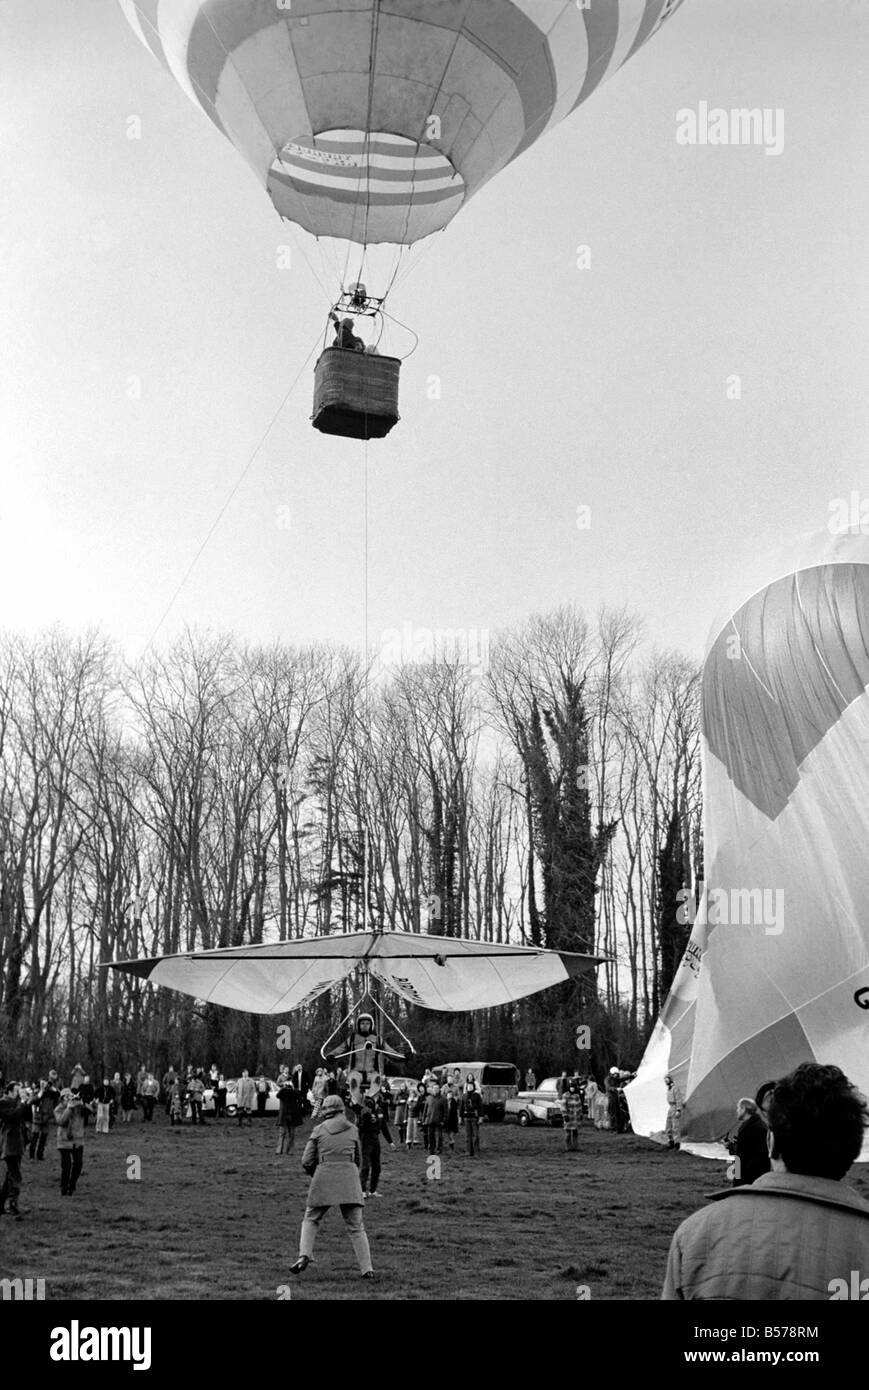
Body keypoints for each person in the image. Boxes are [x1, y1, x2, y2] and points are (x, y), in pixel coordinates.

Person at [662, 1062, 869, 1300]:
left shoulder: (695, 1234)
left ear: (771, 1142)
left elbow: (738, 1160)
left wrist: (736, 1182)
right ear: (852, 1150)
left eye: (739, 1110)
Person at [290, 1094, 374, 1280]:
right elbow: (359, 1159)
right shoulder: (353, 1129)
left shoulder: (319, 1130)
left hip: (324, 1176)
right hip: (349, 1179)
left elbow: (306, 1160)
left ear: (326, 1111)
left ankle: (304, 1255)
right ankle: (367, 1268)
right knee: (356, 1227)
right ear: (342, 1109)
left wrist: (316, 1172)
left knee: (311, 1218)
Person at [54, 1084, 95, 1197]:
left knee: (78, 1164)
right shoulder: (58, 1109)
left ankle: (72, 1184)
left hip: (78, 1140)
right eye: (66, 1097)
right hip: (63, 1141)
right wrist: (68, 1108)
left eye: (70, 1096)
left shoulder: (79, 1107)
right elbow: (61, 1121)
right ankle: (64, 1187)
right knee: (66, 1166)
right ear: (62, 1099)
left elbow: (92, 1111)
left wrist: (82, 1104)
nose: (68, 1099)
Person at [726, 1096, 772, 1186]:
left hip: (750, 1178)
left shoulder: (758, 1128)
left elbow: (759, 1156)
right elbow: (744, 1149)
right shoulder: (747, 1125)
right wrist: (731, 1146)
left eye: (738, 1108)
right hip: (743, 1173)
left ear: (744, 1109)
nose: (737, 1111)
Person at [0, 1082, 29, 1219]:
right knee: (16, 1177)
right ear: (10, 1091)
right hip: (8, 1144)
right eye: (17, 1090)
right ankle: (13, 1205)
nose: (19, 1093)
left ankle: (1, 1205)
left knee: (9, 1177)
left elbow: (26, 1115)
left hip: (17, 1144)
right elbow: (14, 1116)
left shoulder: (17, 1103)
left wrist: (27, 1102)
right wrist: (22, 1102)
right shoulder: (3, 1103)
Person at [359, 1090, 395, 1198]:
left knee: (377, 1166)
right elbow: (360, 1124)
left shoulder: (380, 1110)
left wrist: (390, 1142)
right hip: (366, 1138)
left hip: (376, 1139)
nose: (376, 1097)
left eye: (377, 1096)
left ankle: (372, 1190)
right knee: (365, 1166)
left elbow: (383, 1126)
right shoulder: (365, 1108)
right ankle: (362, 1191)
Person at [29, 1075, 60, 1160]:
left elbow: (58, 1094)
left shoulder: (51, 1093)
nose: (44, 1085)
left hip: (46, 1118)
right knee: (34, 1137)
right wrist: (41, 1092)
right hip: (37, 1118)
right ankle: (31, 1155)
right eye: (42, 1083)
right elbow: (32, 1101)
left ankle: (40, 1155)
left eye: (45, 1083)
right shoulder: (37, 1091)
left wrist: (52, 1086)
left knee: (43, 1138)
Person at [276, 1079, 305, 1155]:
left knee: (288, 1134)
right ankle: (284, 1150)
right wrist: (285, 1088)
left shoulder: (292, 1092)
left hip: (289, 1115)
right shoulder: (284, 1092)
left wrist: (289, 1088)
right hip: (287, 1115)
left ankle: (285, 1150)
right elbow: (278, 1095)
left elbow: (300, 1098)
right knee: (286, 1133)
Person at [423, 1082, 448, 1156]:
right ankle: (431, 1149)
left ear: (439, 1089)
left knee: (439, 1136)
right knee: (430, 1136)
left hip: (439, 1121)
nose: (435, 1090)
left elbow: (446, 1111)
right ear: (432, 1089)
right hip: (430, 1120)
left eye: (437, 1088)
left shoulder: (443, 1099)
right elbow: (425, 1109)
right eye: (434, 1088)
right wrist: (424, 1119)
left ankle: (439, 1149)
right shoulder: (428, 1098)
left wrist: (444, 1120)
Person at [460, 1076, 483, 1156]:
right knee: (468, 1135)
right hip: (466, 1117)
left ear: (473, 1087)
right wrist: (460, 1117)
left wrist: (481, 1117)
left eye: (471, 1086)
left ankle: (476, 1151)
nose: (469, 1087)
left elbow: (480, 1107)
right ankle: (468, 1151)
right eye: (468, 1086)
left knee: (475, 1135)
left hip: (474, 1117)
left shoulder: (477, 1095)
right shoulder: (464, 1096)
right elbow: (461, 1107)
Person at [561, 1078, 583, 1151]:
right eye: (571, 1087)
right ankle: (568, 1147)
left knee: (575, 1133)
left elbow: (579, 1106)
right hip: (569, 1117)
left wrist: (581, 1114)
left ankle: (575, 1147)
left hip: (576, 1118)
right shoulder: (565, 1095)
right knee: (568, 1134)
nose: (572, 1088)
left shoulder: (577, 1096)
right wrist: (565, 1115)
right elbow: (563, 1106)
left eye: (573, 1087)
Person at [664, 1073, 683, 1149]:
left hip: (675, 1107)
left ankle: (677, 1143)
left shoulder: (675, 1088)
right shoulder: (669, 1089)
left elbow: (679, 1099)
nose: (665, 1081)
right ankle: (670, 1140)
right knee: (668, 1126)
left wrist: (678, 1110)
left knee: (675, 1126)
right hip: (670, 1107)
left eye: (666, 1079)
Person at [406, 1083, 424, 1150]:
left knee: (415, 1129)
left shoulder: (417, 1100)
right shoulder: (409, 1100)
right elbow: (406, 1109)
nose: (412, 1095)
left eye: (413, 1093)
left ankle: (415, 1140)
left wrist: (415, 1101)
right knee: (409, 1129)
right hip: (409, 1116)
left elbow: (418, 1107)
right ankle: (408, 1142)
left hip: (416, 1116)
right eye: (411, 1093)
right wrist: (405, 1118)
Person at [444, 1084, 460, 1151]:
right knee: (447, 1131)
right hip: (446, 1119)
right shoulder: (444, 1102)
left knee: (452, 1132)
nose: (450, 1096)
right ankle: (450, 1142)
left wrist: (458, 1118)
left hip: (453, 1119)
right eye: (448, 1094)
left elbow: (457, 1110)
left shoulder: (454, 1102)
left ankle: (452, 1142)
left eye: (451, 1095)